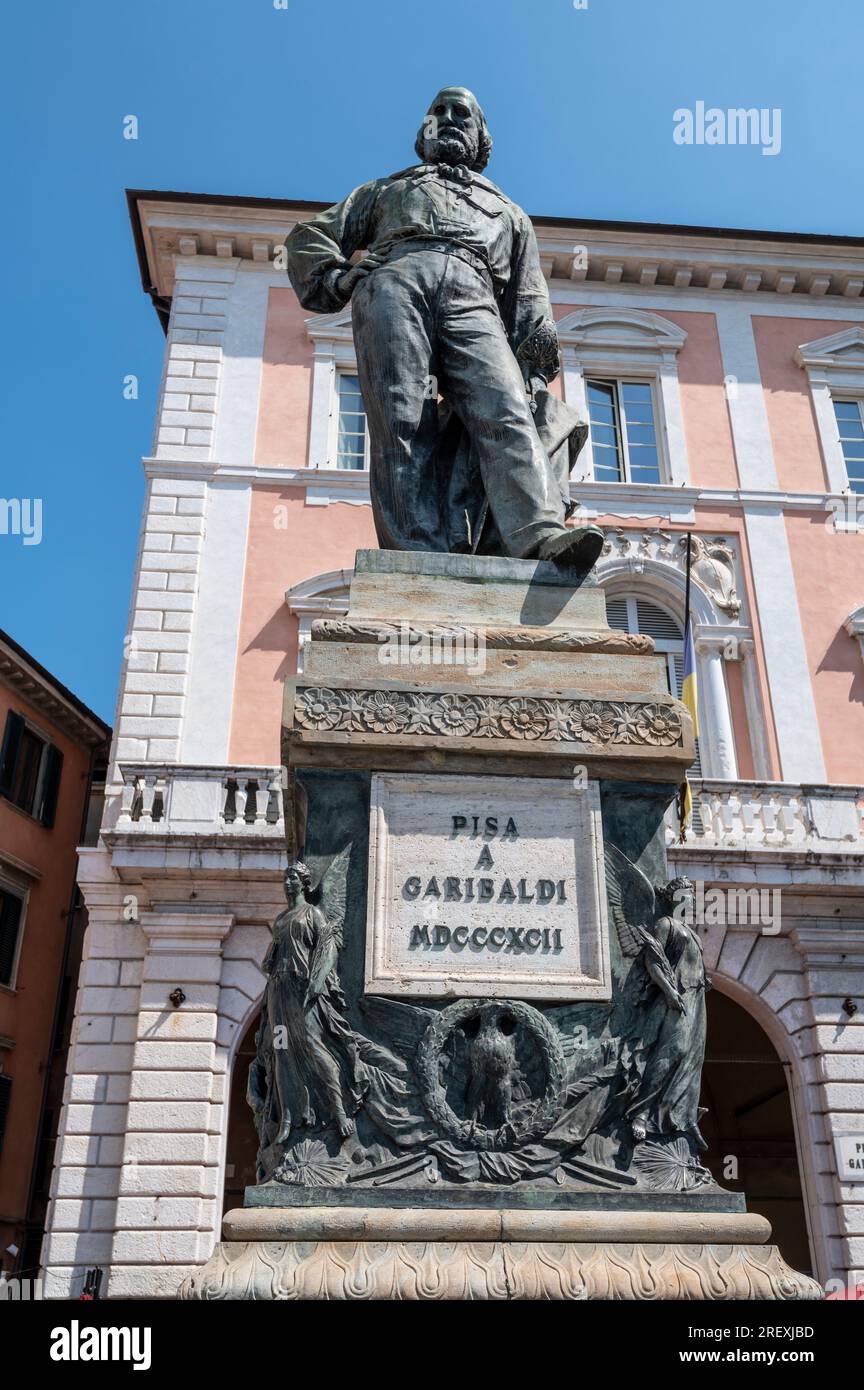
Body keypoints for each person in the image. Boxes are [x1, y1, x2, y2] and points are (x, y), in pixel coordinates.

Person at [284, 86, 604, 566]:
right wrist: (336, 275)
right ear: (425, 132)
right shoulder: (387, 190)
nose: (449, 118)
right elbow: (310, 234)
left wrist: (534, 366)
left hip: (475, 297)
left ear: (480, 136)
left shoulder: (510, 214)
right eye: (439, 111)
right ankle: (416, 550)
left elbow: (530, 293)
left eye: (463, 113)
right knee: (401, 412)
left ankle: (540, 532)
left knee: (505, 406)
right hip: (395, 281)